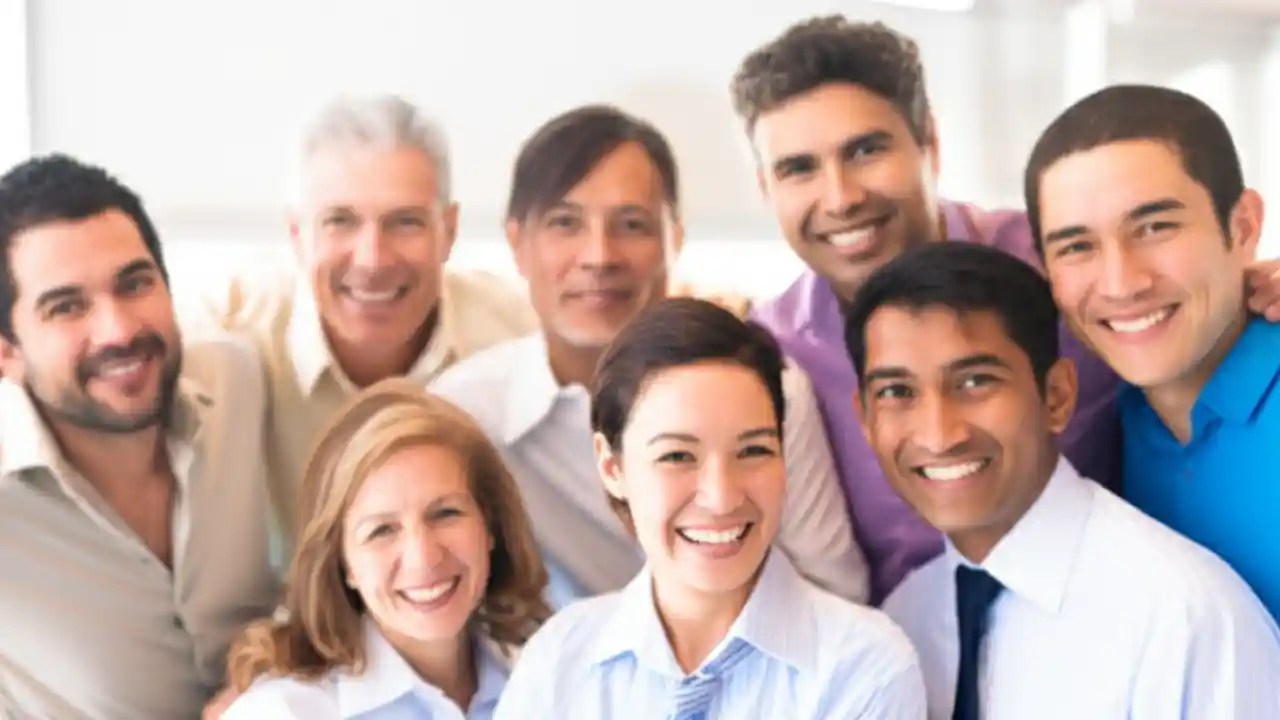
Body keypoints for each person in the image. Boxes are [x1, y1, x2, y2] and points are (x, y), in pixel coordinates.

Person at [729, 14, 1280, 604]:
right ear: (766, 188)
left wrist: (1253, 277)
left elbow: (1182, 287)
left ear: (929, 145)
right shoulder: (768, 359)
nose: (841, 198)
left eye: (866, 150)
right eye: (798, 169)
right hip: (916, 667)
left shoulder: (1065, 267)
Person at [431, 105, 867, 606]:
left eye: (632, 224)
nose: (599, 256)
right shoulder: (466, 414)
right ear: (517, 243)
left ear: (675, 238)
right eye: (565, 223)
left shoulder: (765, 386)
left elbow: (836, 591)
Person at [845, 242, 1280, 719]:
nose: (938, 434)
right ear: (866, 420)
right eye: (897, 392)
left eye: (975, 382)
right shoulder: (903, 621)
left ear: (1056, 397)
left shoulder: (1185, 620)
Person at [495, 298, 925, 719]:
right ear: (612, 467)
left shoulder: (863, 665)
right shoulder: (559, 661)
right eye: (677, 456)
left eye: (753, 450)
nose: (721, 497)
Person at [0, 155, 278, 719]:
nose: (119, 330)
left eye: (135, 283)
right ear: (7, 351)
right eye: (66, 307)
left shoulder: (236, 383)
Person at [189, 94, 537, 545]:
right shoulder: (227, 338)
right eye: (340, 221)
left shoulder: (521, 341)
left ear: (448, 232)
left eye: (405, 222)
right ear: (297, 236)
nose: (373, 259)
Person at [1026, 84, 1280, 620]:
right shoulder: (1110, 415)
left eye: (1156, 226)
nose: (1121, 283)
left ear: (1243, 226)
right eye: (1077, 246)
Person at [222, 380, 549, 719]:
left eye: (445, 513)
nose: (423, 557)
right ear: (343, 563)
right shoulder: (282, 713)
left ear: (490, 526)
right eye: (382, 531)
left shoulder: (552, 680)